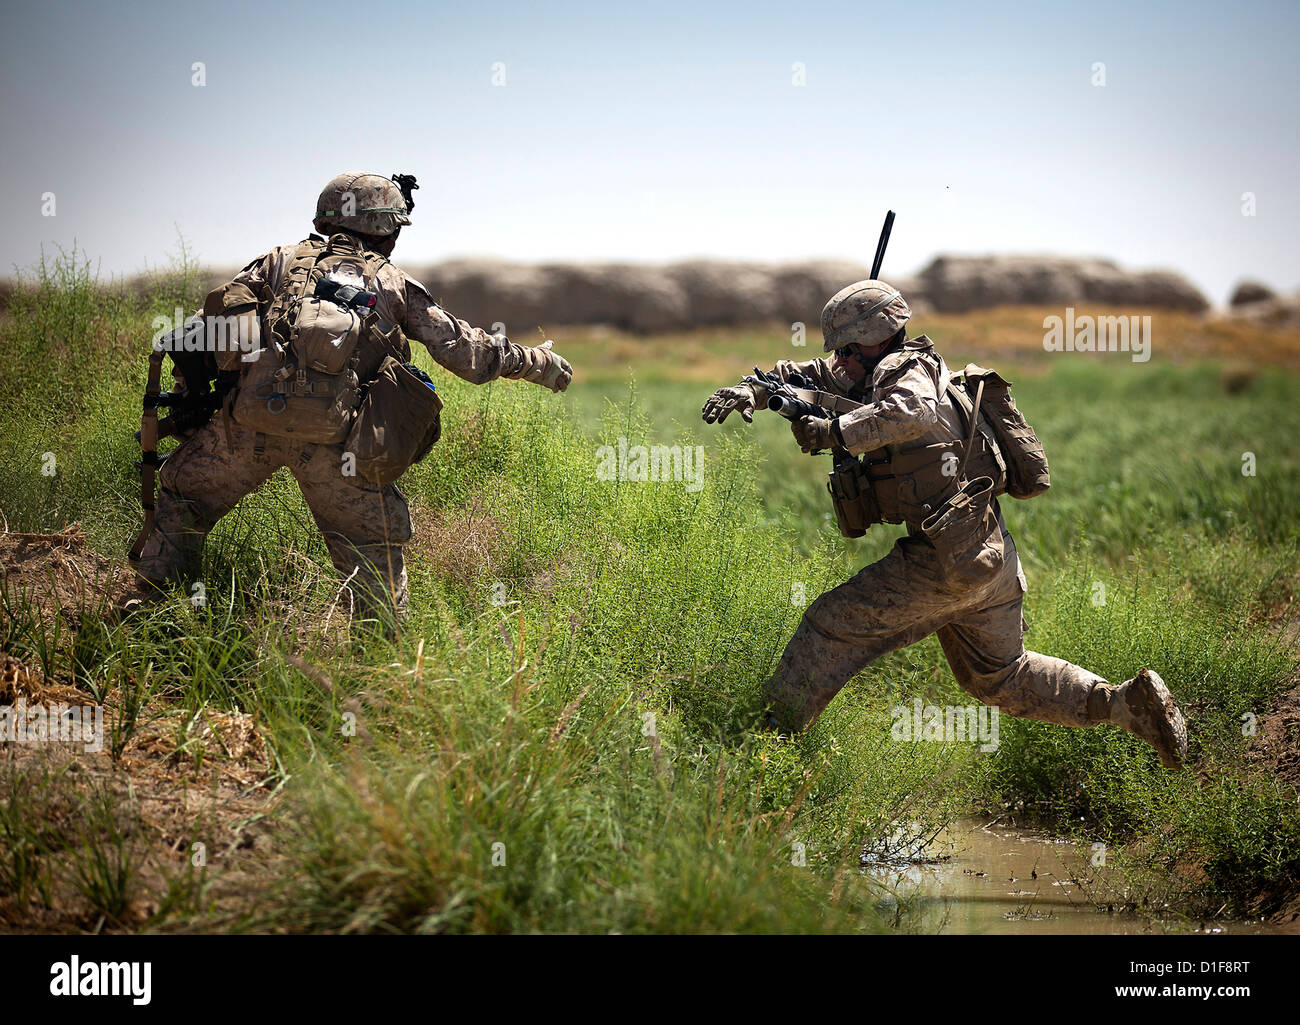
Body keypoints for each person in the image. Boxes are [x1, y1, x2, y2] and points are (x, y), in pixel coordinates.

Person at [701, 279, 1187, 768]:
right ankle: (1126, 704)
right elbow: (810, 374)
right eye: (836, 350)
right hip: (988, 558)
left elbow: (910, 411)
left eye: (848, 348)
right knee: (1000, 677)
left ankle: (755, 757)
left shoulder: (906, 372)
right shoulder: (875, 368)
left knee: (830, 626)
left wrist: (835, 430)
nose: (838, 359)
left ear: (878, 337)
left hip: (945, 561)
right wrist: (755, 391)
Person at [132, 172, 572, 632]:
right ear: (387, 229)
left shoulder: (274, 263)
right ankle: (383, 672)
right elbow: (467, 354)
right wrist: (537, 362)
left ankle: (152, 621)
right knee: (372, 554)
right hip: (338, 444)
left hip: (246, 425)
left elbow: (198, 332)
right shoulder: (393, 283)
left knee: (182, 504)